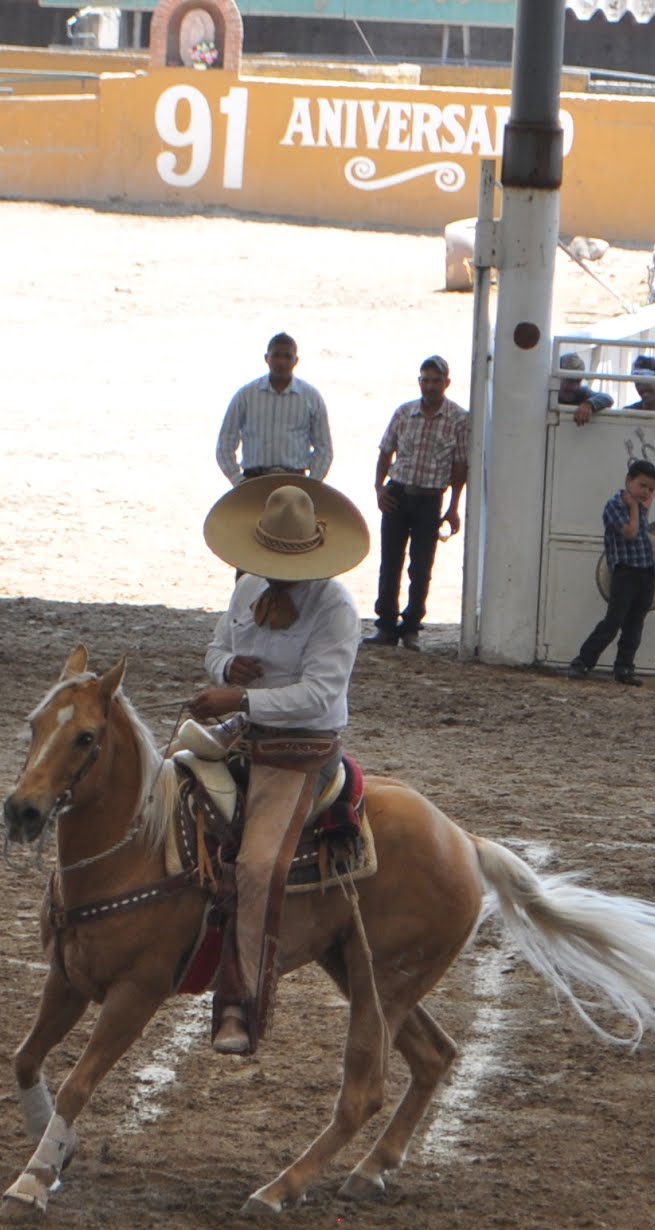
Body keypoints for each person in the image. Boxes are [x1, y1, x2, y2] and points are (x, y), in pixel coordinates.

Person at [189, 478, 369, 1056]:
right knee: (160, 787)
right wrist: (227, 670)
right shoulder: (246, 591)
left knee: (259, 864)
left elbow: (320, 696)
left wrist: (240, 699)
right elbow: (215, 651)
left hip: (300, 749)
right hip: (242, 731)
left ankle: (239, 1005)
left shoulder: (336, 608)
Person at [365, 354, 468, 649]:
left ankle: (410, 626)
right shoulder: (403, 413)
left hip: (430, 499)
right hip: (398, 494)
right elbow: (385, 452)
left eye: (437, 381)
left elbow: (460, 466)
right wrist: (379, 489)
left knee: (421, 566)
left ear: (447, 383)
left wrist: (453, 507)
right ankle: (385, 625)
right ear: (419, 381)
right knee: (390, 562)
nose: (431, 386)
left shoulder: (458, 419)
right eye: (426, 380)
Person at [568, 459, 655, 688]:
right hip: (625, 572)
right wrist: (633, 507)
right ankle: (583, 661)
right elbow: (630, 533)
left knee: (635, 622)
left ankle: (624, 666)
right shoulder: (615, 505)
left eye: (650, 489)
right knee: (614, 621)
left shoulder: (639, 507)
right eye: (642, 486)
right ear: (629, 481)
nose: (646, 492)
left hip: (645, 570)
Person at [215, 332, 333, 486]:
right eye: (276, 355)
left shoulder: (311, 397)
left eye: (287, 356)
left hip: (295, 482)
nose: (281, 362)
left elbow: (324, 448)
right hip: (253, 480)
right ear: (266, 358)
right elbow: (225, 443)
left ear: (296, 360)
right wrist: (239, 481)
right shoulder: (246, 395)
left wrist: (311, 484)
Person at [556, 351, 614, 425]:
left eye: (578, 381)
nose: (574, 387)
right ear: (557, 379)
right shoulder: (545, 394)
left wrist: (589, 404)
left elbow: (607, 398)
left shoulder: (582, 393)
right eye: (570, 381)